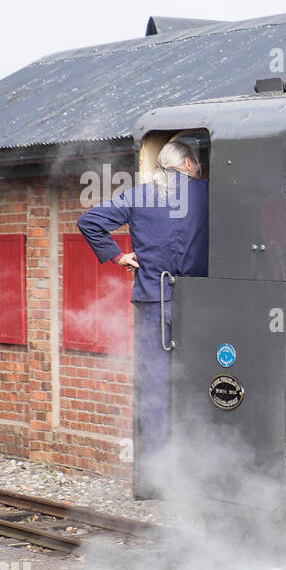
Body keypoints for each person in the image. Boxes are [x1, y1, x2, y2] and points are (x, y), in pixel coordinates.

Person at [77, 139, 209, 497]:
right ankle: (202, 471)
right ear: (186, 163)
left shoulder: (139, 195)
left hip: (153, 300)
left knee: (154, 390)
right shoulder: (209, 193)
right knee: (205, 385)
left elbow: (88, 221)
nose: (198, 169)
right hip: (202, 305)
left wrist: (117, 257)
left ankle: (158, 478)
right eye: (196, 163)